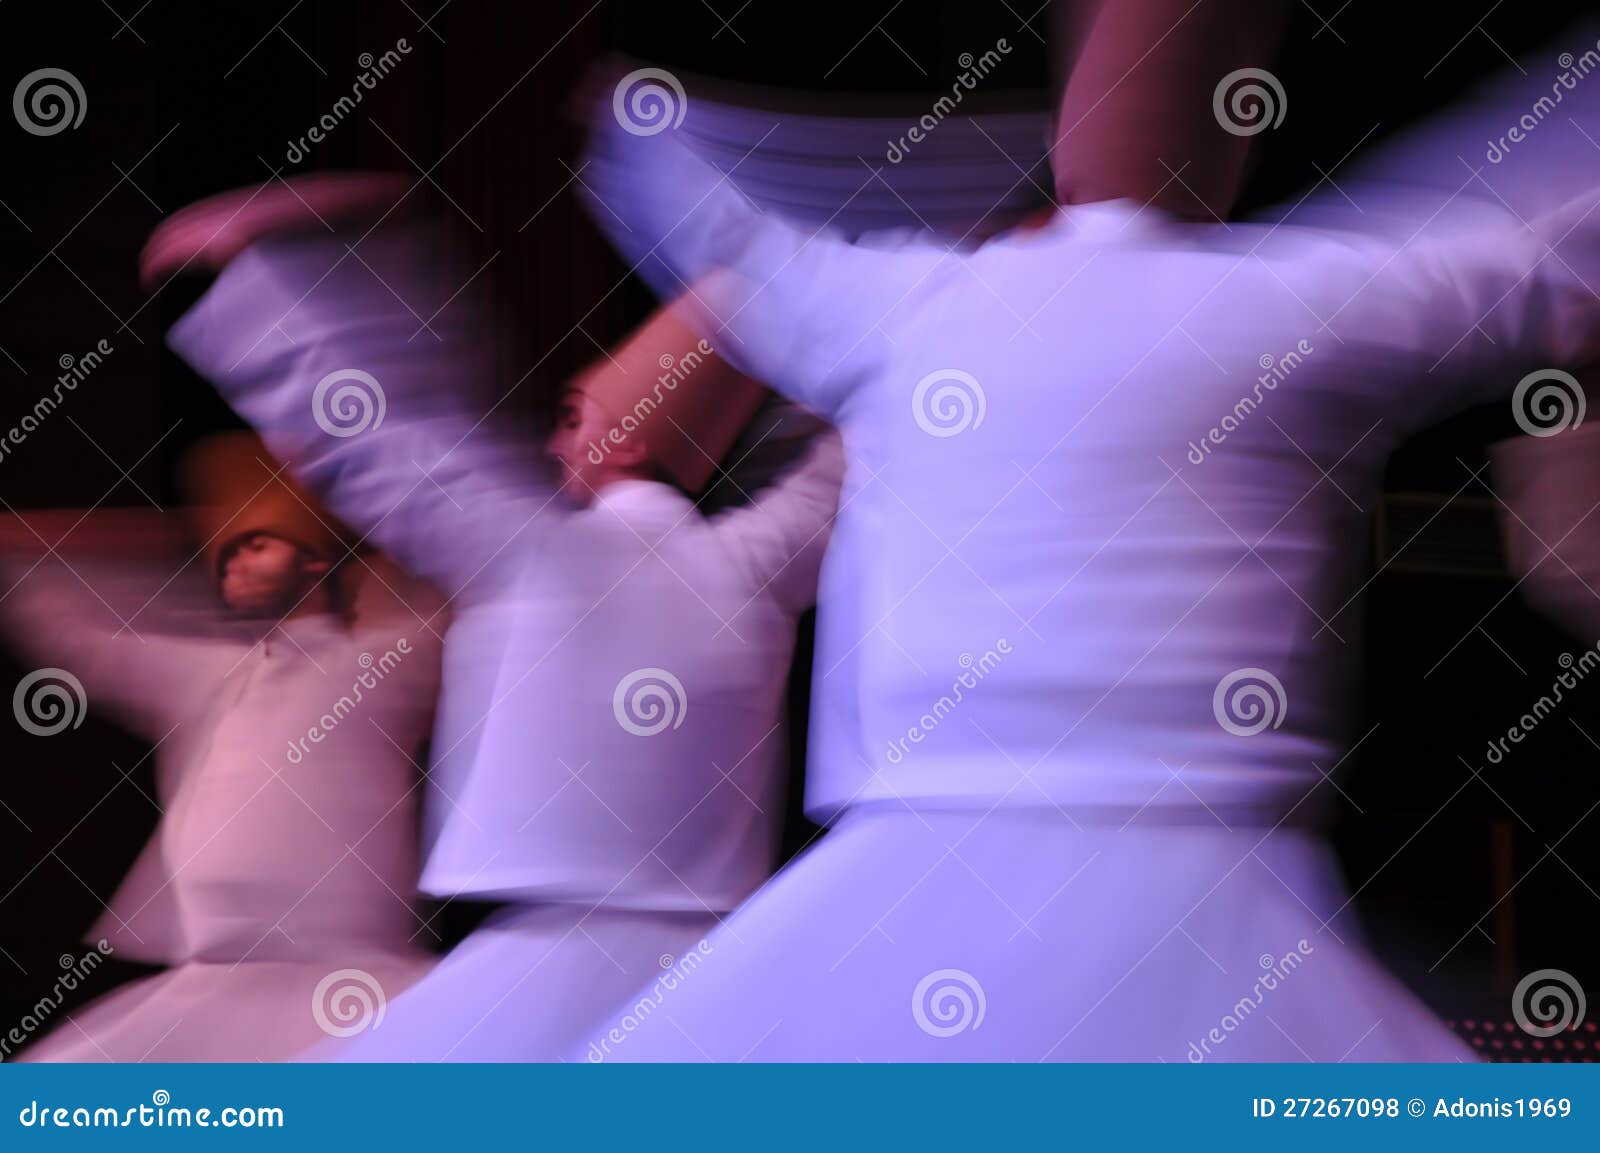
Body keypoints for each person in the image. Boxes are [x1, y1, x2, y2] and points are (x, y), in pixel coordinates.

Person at [563, 9, 1600, 1059]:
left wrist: (627, 126)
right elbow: (1540, 233)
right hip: (1188, 884)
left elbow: (719, 230)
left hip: (932, 872)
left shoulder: (918, 302)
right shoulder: (1316, 295)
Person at [144, 181, 843, 1059]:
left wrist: (257, 266)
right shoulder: (753, 561)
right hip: (720, 964)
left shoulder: (533, 549)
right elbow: (847, 472)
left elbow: (374, 433)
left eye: (571, 418)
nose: (553, 441)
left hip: (541, 958)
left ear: (626, 441)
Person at [2, 435, 441, 1061]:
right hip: (211, 986)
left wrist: (315, 515)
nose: (234, 563)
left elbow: (454, 567)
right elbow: (60, 609)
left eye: (255, 547)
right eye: (226, 553)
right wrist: (208, 529)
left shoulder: (380, 661)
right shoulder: (200, 676)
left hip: (352, 981)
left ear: (317, 562)